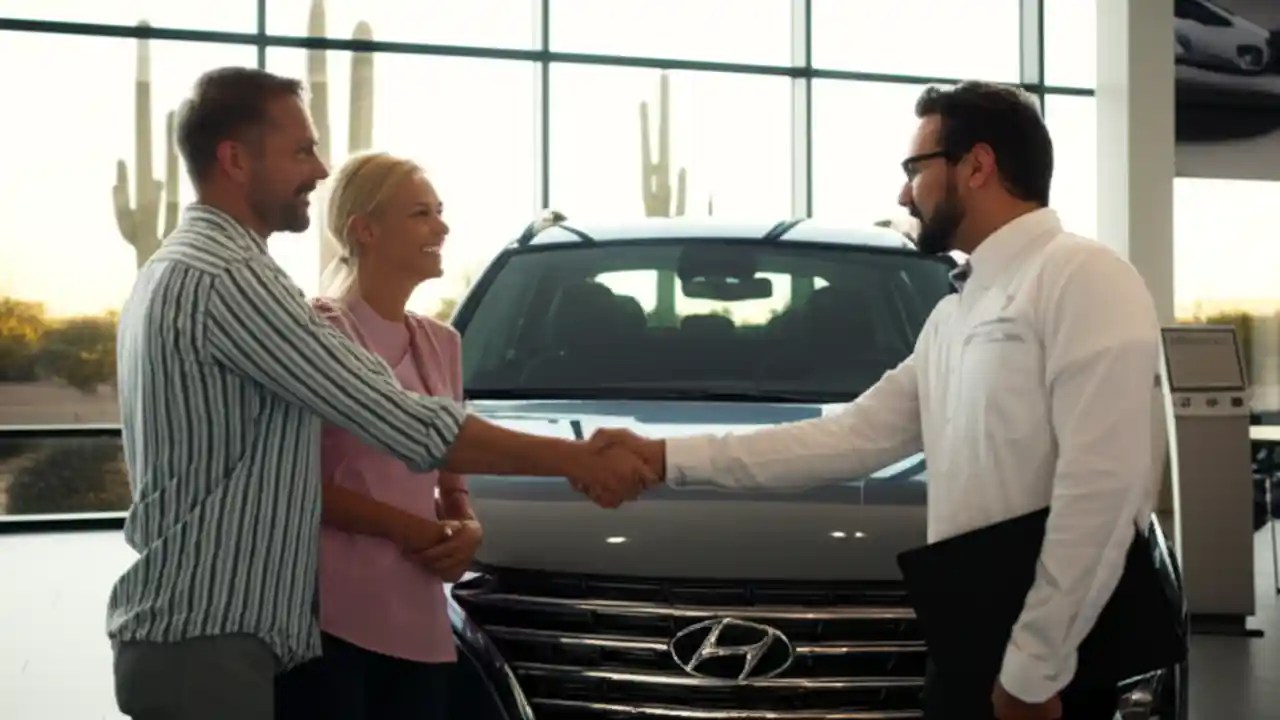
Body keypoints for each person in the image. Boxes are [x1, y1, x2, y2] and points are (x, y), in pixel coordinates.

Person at [581, 81, 1162, 720]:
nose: (904, 193)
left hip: (1048, 665)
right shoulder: (952, 315)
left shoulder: (1083, 276)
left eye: (915, 169)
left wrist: (1035, 666)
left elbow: (1106, 488)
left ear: (977, 165)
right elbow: (849, 436)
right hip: (970, 647)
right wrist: (665, 456)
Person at [108, 66, 651, 720]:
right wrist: (575, 460)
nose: (319, 167)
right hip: (208, 644)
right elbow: (404, 421)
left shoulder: (177, 266)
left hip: (209, 636)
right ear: (235, 160)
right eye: (302, 149)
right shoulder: (228, 277)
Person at [268, 151, 475, 720]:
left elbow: (450, 466)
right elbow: (294, 480)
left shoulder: (442, 343)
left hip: (420, 614)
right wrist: (412, 529)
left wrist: (465, 521)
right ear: (365, 229)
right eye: (420, 214)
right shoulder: (317, 331)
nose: (442, 227)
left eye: (439, 211)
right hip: (331, 618)